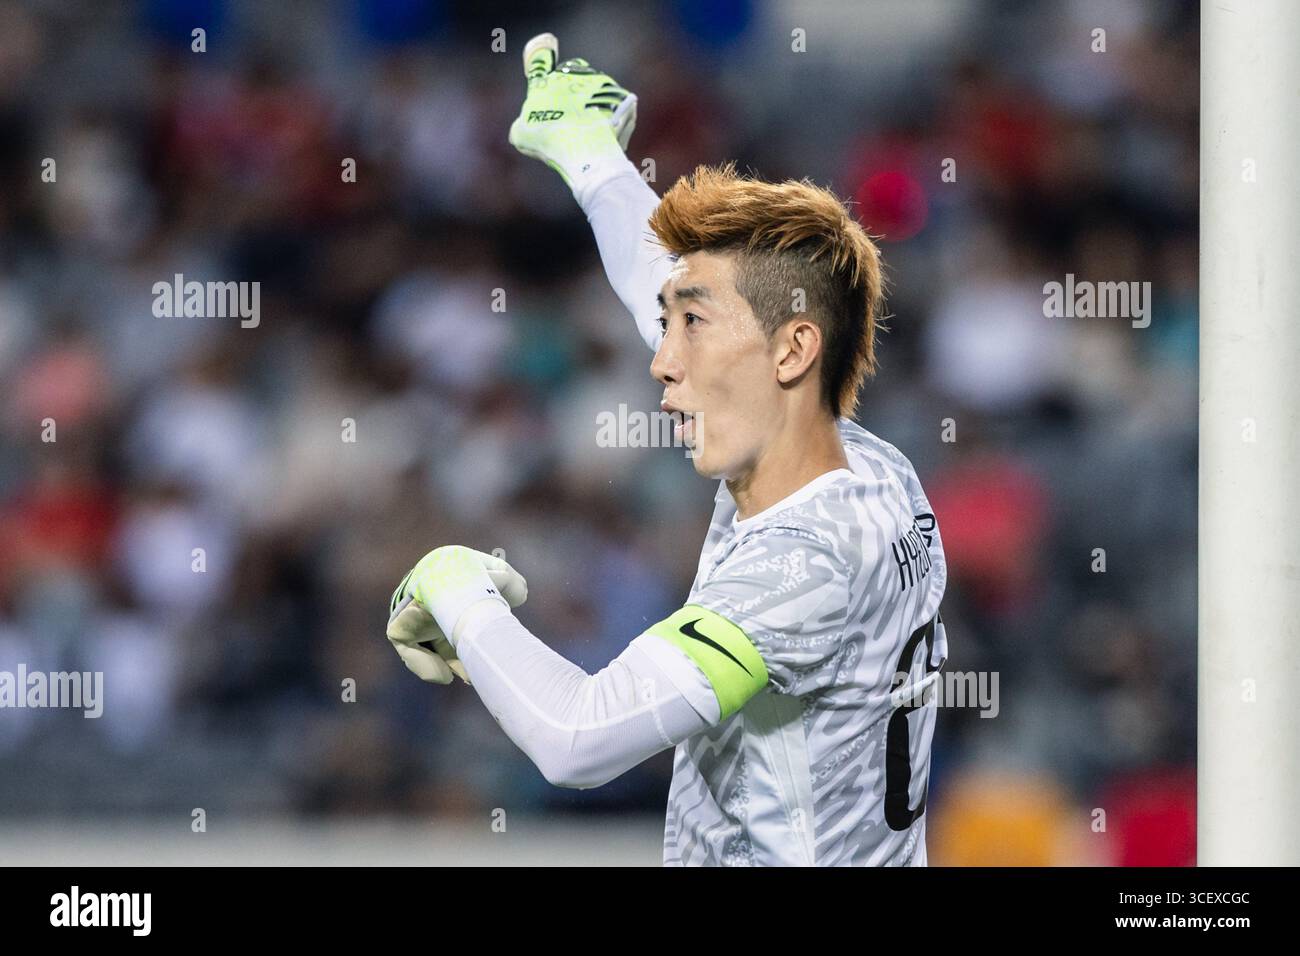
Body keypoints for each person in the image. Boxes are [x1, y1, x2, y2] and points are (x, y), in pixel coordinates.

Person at [385, 34, 948, 866]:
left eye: (691, 328)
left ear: (791, 351)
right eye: (672, 323)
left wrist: (454, 588)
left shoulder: (802, 566)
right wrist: (589, 156)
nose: (660, 359)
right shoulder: (862, 463)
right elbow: (663, 285)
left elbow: (576, 739)